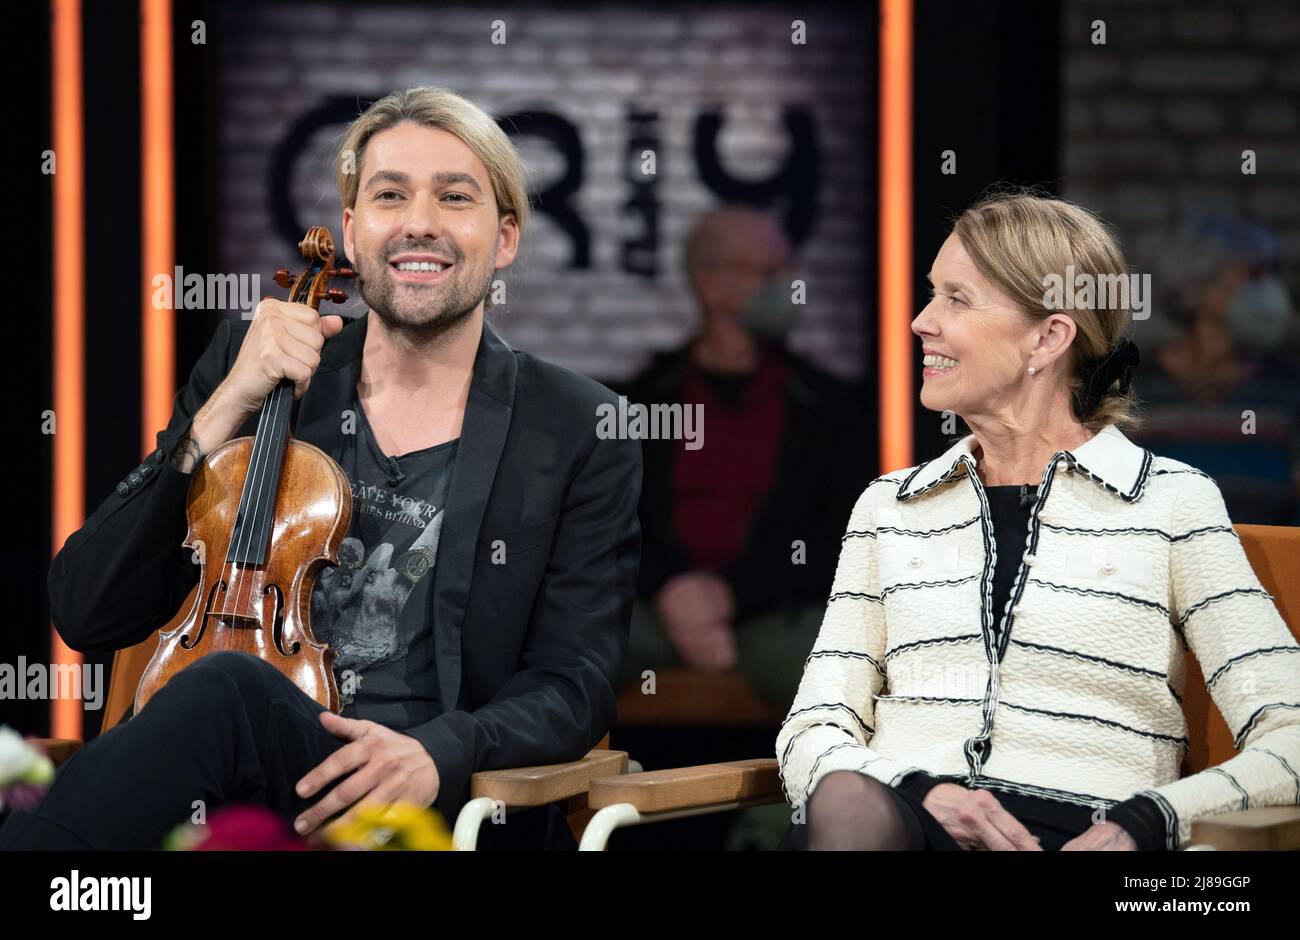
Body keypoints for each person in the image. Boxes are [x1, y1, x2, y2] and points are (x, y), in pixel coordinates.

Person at [0, 87, 641, 851]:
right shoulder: (258, 372)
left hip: (412, 804)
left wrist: (441, 751)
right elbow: (85, 608)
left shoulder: (576, 427)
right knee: (222, 696)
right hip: (223, 790)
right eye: (389, 194)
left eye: (455, 197)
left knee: (224, 692)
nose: (418, 223)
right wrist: (221, 410)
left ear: (504, 237)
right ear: (351, 228)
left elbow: (575, 683)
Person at [778, 190, 1300, 851]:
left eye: (956, 299)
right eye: (931, 294)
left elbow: (1293, 734)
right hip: (905, 825)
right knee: (847, 805)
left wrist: (1150, 822)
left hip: (1081, 836)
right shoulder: (890, 506)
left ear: (1049, 337)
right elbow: (812, 728)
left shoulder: (1171, 502)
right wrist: (918, 790)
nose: (920, 322)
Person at [621, 206, 867, 713]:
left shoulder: (829, 405)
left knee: (836, 672)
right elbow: (614, 523)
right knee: (576, 645)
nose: (791, 284)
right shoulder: (644, 399)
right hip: (659, 609)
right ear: (714, 286)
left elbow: (845, 538)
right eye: (771, 271)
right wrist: (673, 591)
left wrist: (730, 594)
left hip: (776, 614)